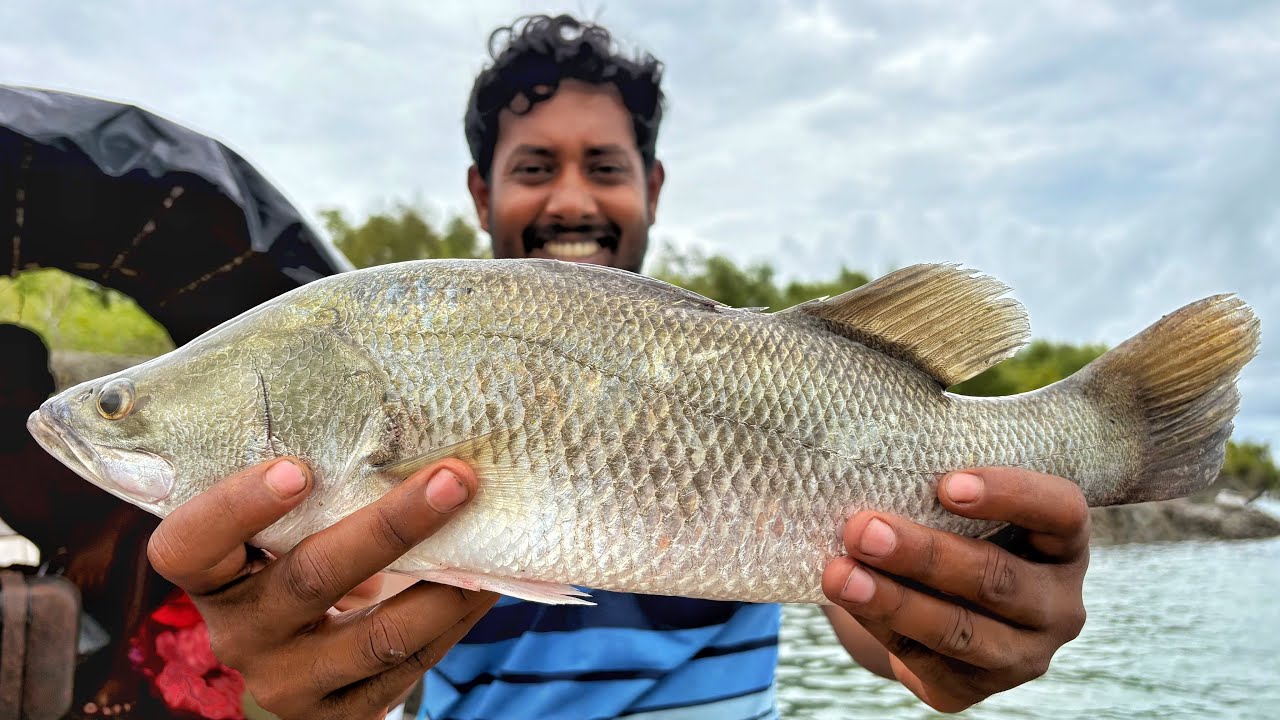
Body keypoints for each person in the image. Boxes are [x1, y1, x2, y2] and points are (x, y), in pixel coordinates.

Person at [146, 14, 1090, 720]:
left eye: (603, 165)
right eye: (531, 168)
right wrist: (278, 682)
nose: (569, 198)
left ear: (652, 186)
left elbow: (866, 602)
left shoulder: (748, 363)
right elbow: (340, 641)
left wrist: (943, 639)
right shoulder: (387, 356)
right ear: (481, 192)